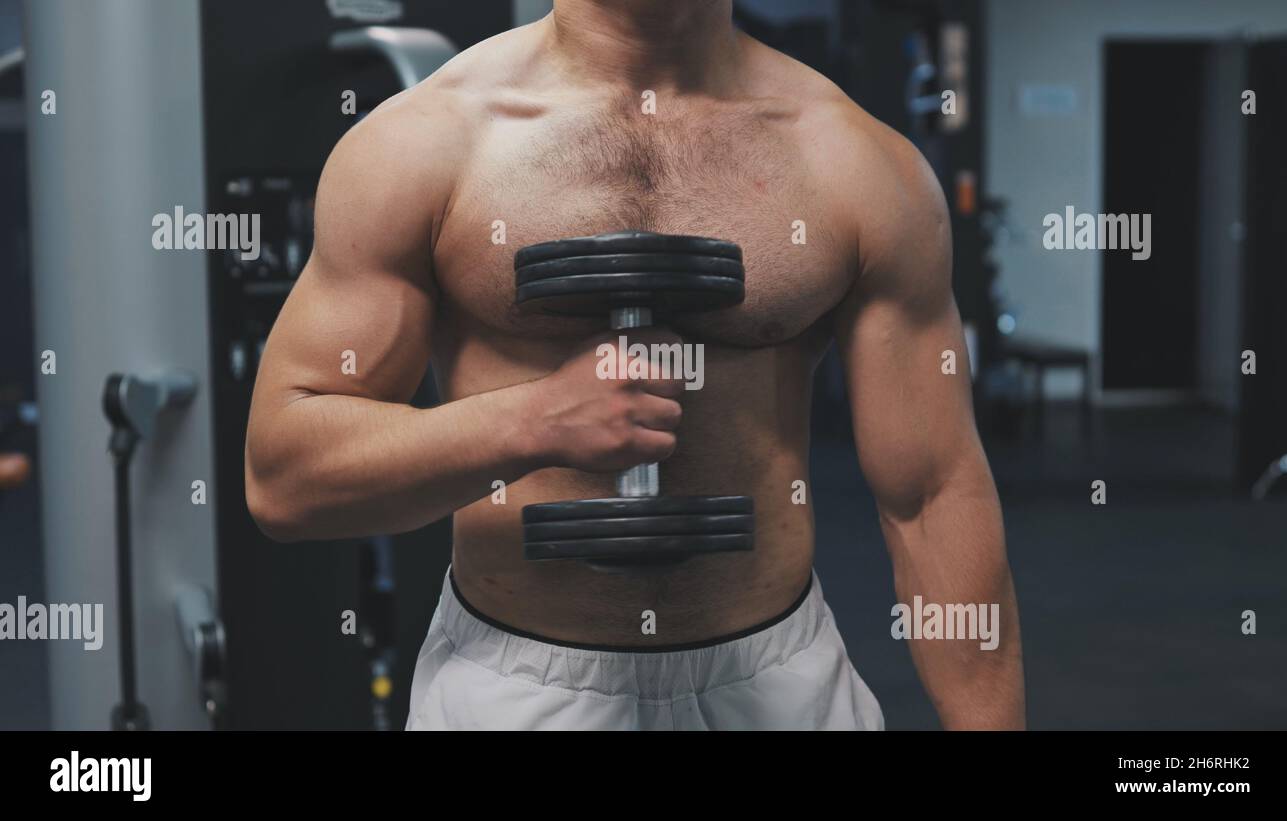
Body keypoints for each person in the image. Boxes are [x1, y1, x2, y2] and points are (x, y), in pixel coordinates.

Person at [245, 0, 1023, 730]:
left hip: (777, 682)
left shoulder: (855, 160)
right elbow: (284, 476)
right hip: (517, 685)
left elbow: (934, 495)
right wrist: (532, 421)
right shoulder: (425, 143)